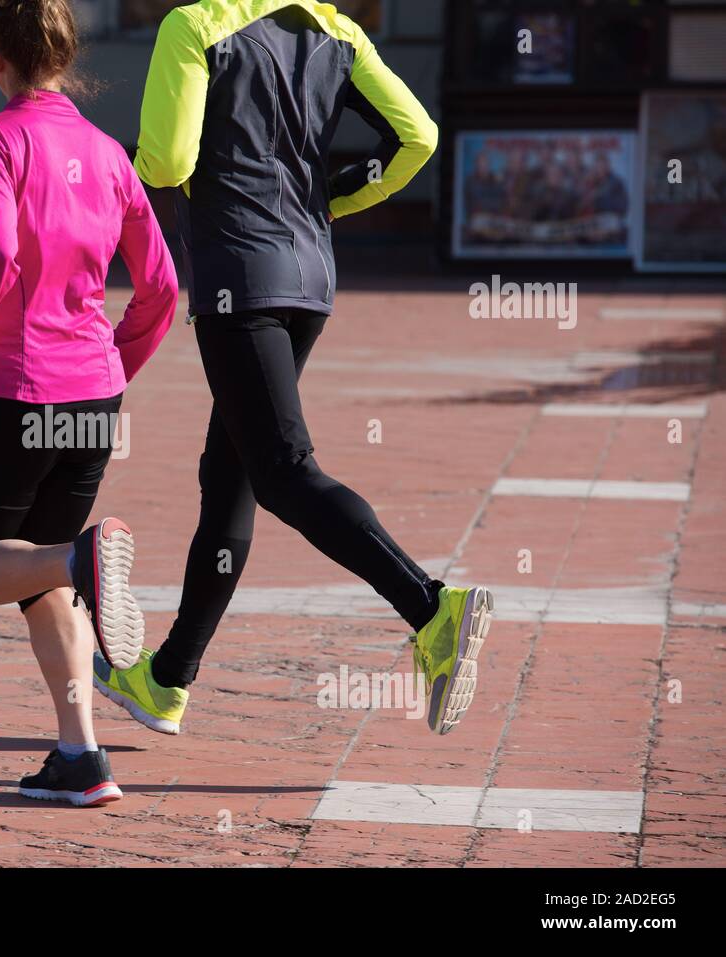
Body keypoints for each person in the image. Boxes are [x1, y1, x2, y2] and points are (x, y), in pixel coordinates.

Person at [94, 0, 492, 737]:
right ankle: (167, 679)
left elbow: (170, 161)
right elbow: (417, 137)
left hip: (238, 281)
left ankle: (432, 608)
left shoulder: (195, 25)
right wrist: (334, 197)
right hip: (310, 277)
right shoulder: (337, 29)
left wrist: (145, 160)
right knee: (231, 476)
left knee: (280, 470)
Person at [0, 0, 178, 805]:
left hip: (12, 392)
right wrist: (107, 370)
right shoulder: (108, 153)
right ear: (64, 53)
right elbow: (160, 285)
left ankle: (78, 558)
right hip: (94, 400)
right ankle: (82, 757)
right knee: (38, 579)